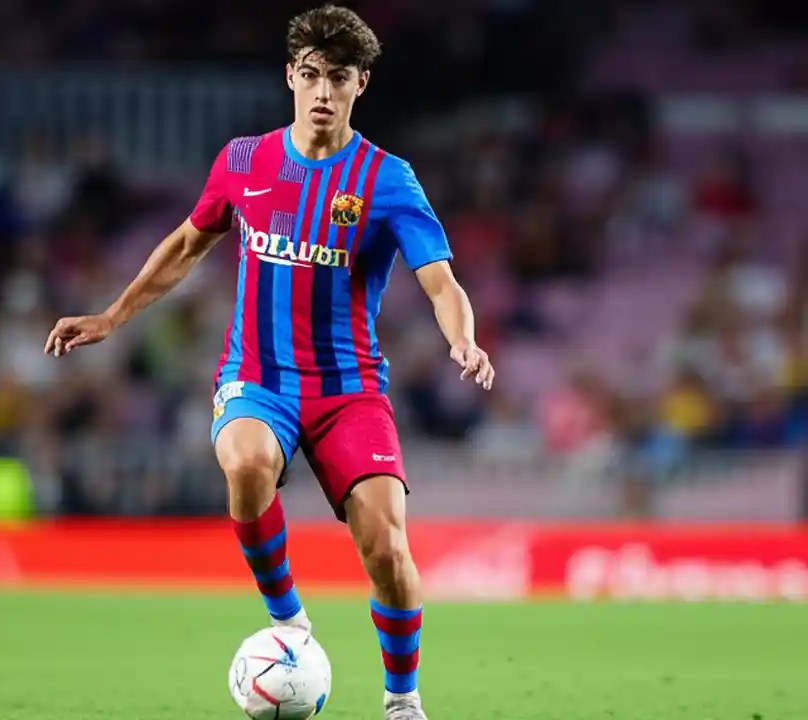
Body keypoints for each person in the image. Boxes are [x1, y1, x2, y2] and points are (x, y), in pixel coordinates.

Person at [44, 5, 493, 718]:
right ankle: (289, 620)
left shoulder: (386, 179)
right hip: (257, 379)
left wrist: (461, 340)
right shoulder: (243, 162)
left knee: (387, 549)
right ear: (290, 75)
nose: (321, 91)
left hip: (349, 392)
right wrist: (111, 316)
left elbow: (441, 281)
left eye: (337, 78)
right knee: (246, 463)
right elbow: (187, 244)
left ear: (360, 84)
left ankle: (402, 701)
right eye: (310, 75)